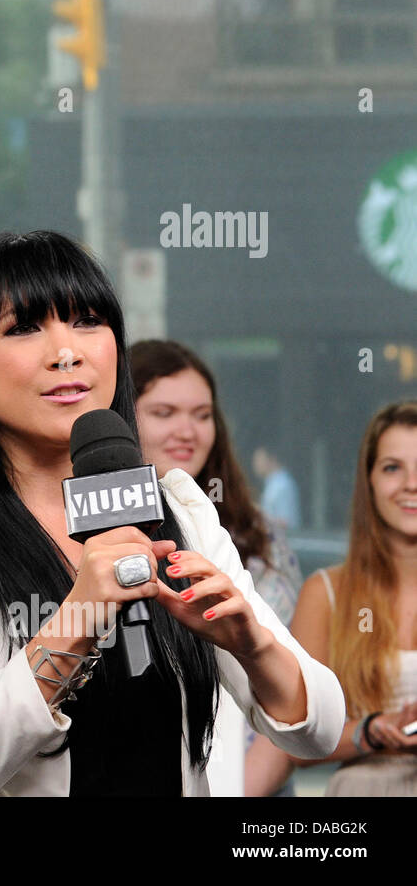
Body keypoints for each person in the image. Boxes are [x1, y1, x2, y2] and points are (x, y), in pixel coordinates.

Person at [0, 230, 345, 796]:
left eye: (88, 321)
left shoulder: (178, 509)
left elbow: (321, 732)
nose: (68, 352)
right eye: (24, 327)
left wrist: (252, 643)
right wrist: (79, 617)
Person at [130, 339, 304, 796]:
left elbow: (289, 678)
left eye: (202, 414)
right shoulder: (89, 535)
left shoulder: (262, 537)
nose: (187, 430)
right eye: (164, 413)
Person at [276, 401, 417, 794]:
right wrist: (373, 730)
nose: (411, 483)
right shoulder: (326, 594)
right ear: (369, 479)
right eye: (393, 467)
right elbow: (300, 745)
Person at [254, 446, 302, 530]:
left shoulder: (283, 485)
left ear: (272, 459)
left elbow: (286, 523)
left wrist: (256, 514)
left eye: (259, 460)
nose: (256, 464)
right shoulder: (272, 484)